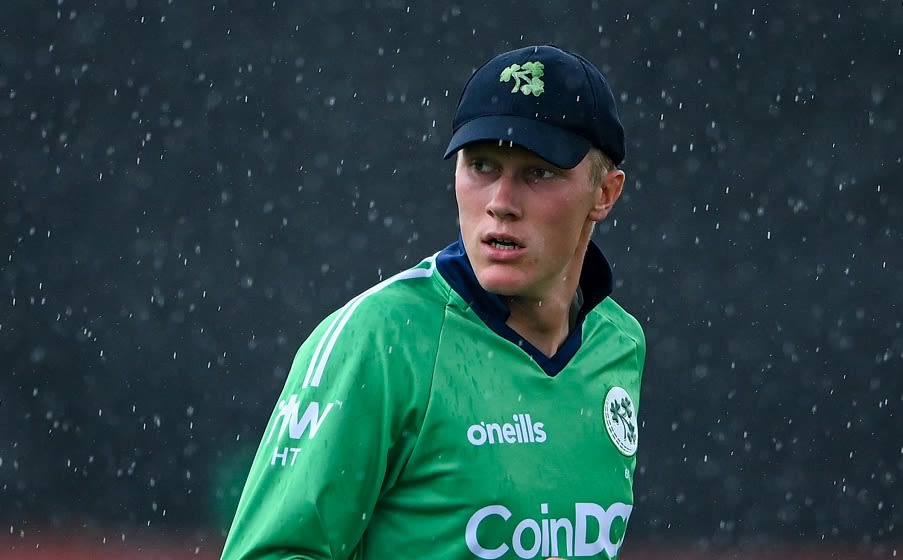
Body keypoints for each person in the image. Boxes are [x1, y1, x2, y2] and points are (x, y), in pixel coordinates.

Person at [220, 44, 645, 560]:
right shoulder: (378, 340)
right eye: (482, 165)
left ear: (605, 193)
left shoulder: (618, 343)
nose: (500, 202)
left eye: (538, 172)